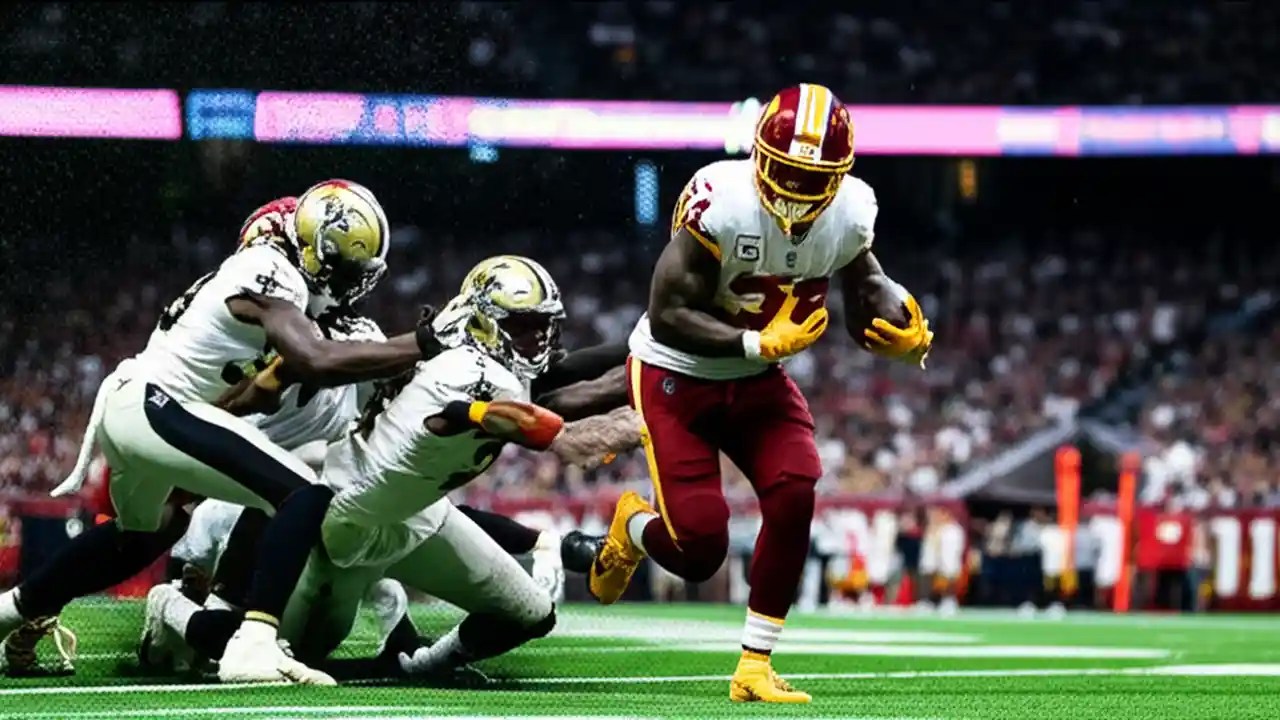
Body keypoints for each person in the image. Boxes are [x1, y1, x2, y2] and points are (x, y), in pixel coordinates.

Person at [0, 180, 448, 685]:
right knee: (302, 493)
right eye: (343, 265)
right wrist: (422, 342)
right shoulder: (272, 270)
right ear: (309, 246)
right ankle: (252, 646)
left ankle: (14, 612)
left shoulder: (248, 287)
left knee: (148, 532)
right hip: (155, 407)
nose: (349, 283)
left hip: (141, 409)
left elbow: (239, 400)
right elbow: (316, 359)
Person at [587, 83, 934, 703]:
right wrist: (755, 345)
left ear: (840, 175)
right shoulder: (720, 200)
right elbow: (667, 313)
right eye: (789, 172)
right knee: (700, 551)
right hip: (675, 374)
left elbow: (866, 286)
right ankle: (633, 527)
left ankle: (754, 664)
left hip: (755, 379)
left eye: (814, 176)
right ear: (758, 156)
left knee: (796, 484)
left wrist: (903, 333)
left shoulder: (852, 211)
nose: (799, 190)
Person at [142, 255, 636, 681]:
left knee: (530, 614)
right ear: (486, 322)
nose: (538, 340)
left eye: (540, 326)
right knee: (253, 646)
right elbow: (555, 423)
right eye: (524, 328)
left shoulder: (486, 361)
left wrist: (647, 348)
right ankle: (168, 606)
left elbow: (562, 376)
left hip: (418, 517)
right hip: (341, 522)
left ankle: (418, 665)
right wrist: (635, 420)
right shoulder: (466, 373)